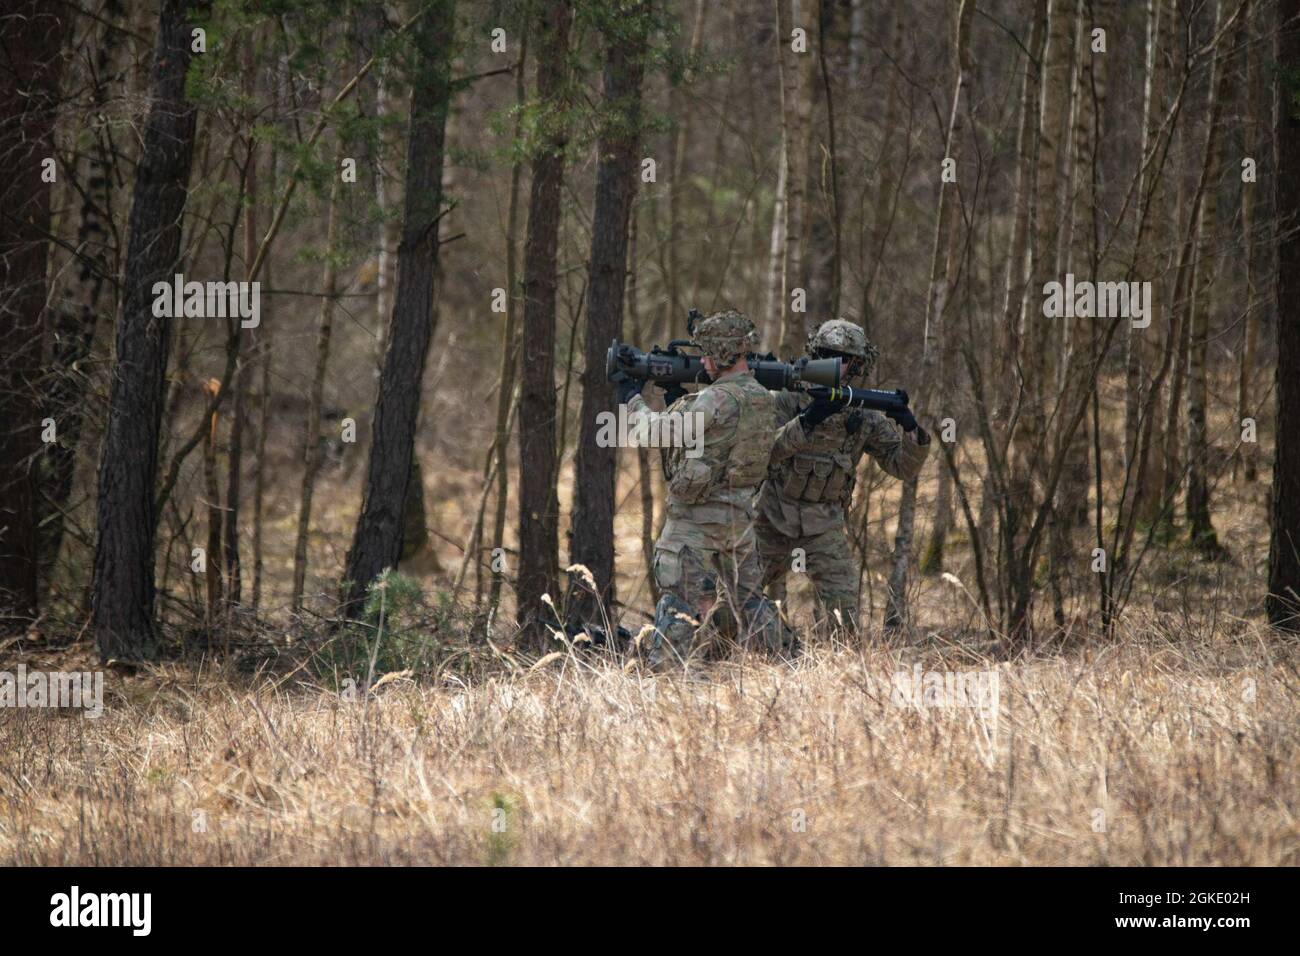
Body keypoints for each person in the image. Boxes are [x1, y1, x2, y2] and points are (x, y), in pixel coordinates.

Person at [615, 309, 792, 666]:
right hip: (739, 519)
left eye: (708, 354)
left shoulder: (716, 398)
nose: (704, 361)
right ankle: (776, 666)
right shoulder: (762, 397)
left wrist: (631, 397)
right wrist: (677, 397)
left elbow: (658, 432)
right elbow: (717, 440)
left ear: (724, 354)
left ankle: (665, 677)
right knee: (750, 601)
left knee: (679, 601)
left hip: (696, 520)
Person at [757, 319, 930, 633]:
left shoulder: (862, 414)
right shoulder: (784, 400)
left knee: (844, 613)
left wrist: (910, 428)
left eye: (846, 358)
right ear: (814, 355)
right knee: (734, 599)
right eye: (827, 354)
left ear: (858, 364)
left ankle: (832, 668)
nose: (837, 365)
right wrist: (807, 420)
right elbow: (764, 454)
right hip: (772, 517)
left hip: (824, 524)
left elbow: (902, 467)